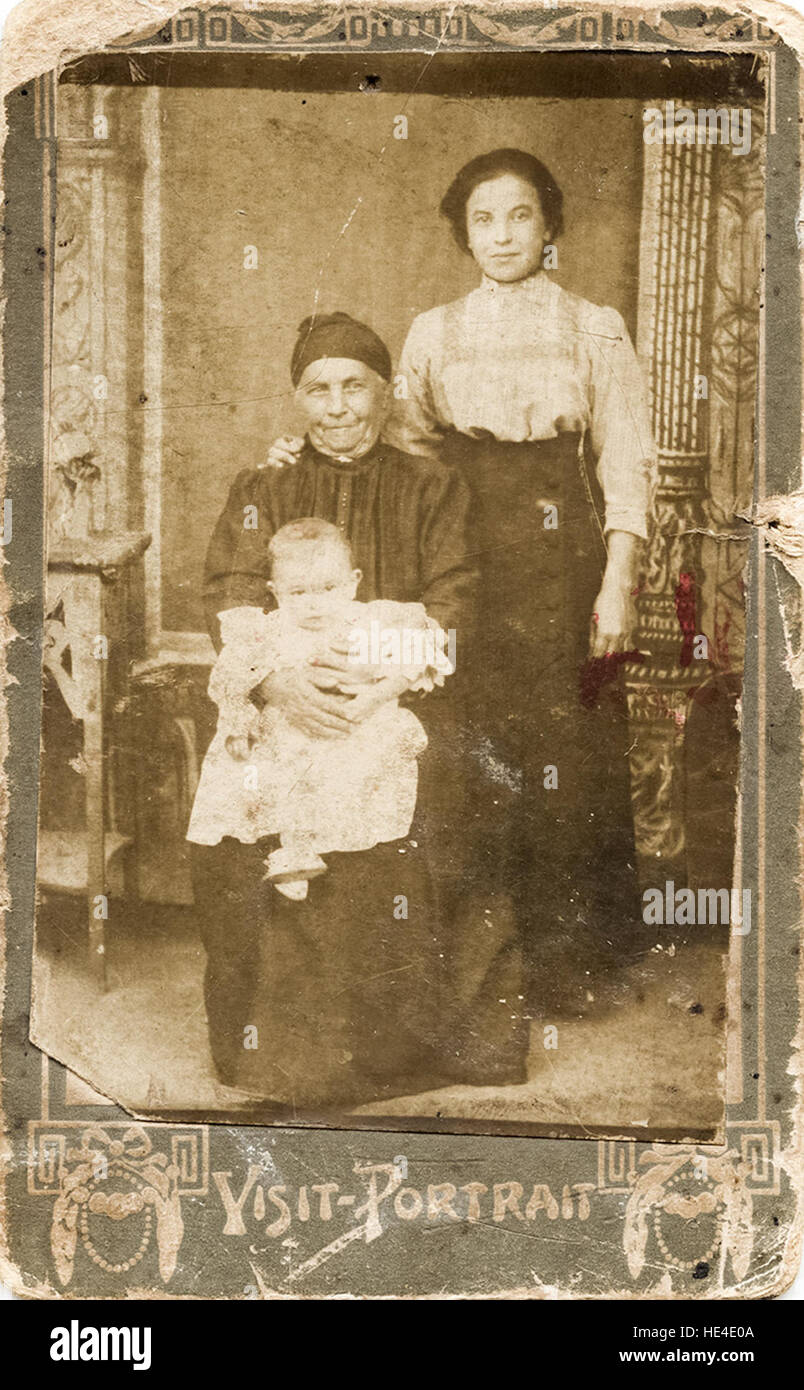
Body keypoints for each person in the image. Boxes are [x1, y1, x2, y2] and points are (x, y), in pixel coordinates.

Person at [266, 149, 657, 1018]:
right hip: (459, 556)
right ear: (464, 234)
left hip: (563, 557)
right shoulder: (435, 332)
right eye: (483, 219)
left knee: (565, 755)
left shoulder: (594, 325)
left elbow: (625, 458)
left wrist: (618, 582)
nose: (503, 235)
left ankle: (568, 966)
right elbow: (390, 444)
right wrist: (302, 451)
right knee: (470, 751)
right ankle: (483, 973)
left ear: (549, 225)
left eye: (520, 215)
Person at [192, 312, 490, 1110]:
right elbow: (230, 590)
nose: (337, 406)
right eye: (317, 389)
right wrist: (273, 685)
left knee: (430, 782)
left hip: (390, 694)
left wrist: (375, 684)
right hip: (283, 698)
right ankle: (271, 1050)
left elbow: (456, 595)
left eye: (354, 386)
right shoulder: (262, 489)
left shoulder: (434, 487)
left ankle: (388, 1051)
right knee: (246, 798)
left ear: (385, 393)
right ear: (297, 399)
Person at [187, 517, 452, 900]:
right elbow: (233, 680)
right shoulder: (267, 630)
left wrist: (376, 696)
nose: (314, 603)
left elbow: (417, 661)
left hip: (355, 726)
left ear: (353, 582)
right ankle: (293, 851)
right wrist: (238, 725)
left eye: (329, 587)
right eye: (298, 592)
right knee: (265, 772)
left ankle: (338, 854)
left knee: (352, 774)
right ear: (275, 591)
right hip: (290, 731)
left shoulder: (371, 622)